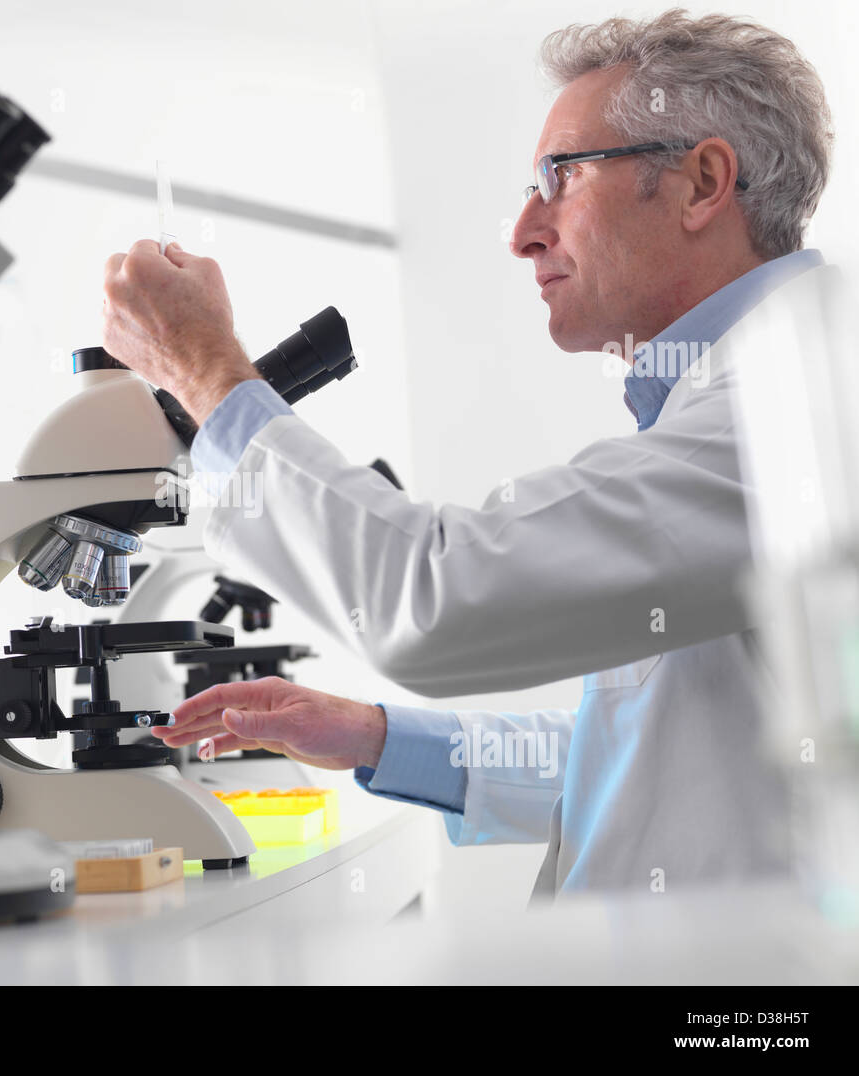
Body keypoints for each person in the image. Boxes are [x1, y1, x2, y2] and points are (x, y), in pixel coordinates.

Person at [98, 10, 834, 898]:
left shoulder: (789, 408)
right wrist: (377, 737)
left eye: (559, 177)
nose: (523, 228)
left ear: (702, 182)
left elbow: (432, 597)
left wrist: (207, 373)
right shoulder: (741, 399)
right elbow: (659, 755)